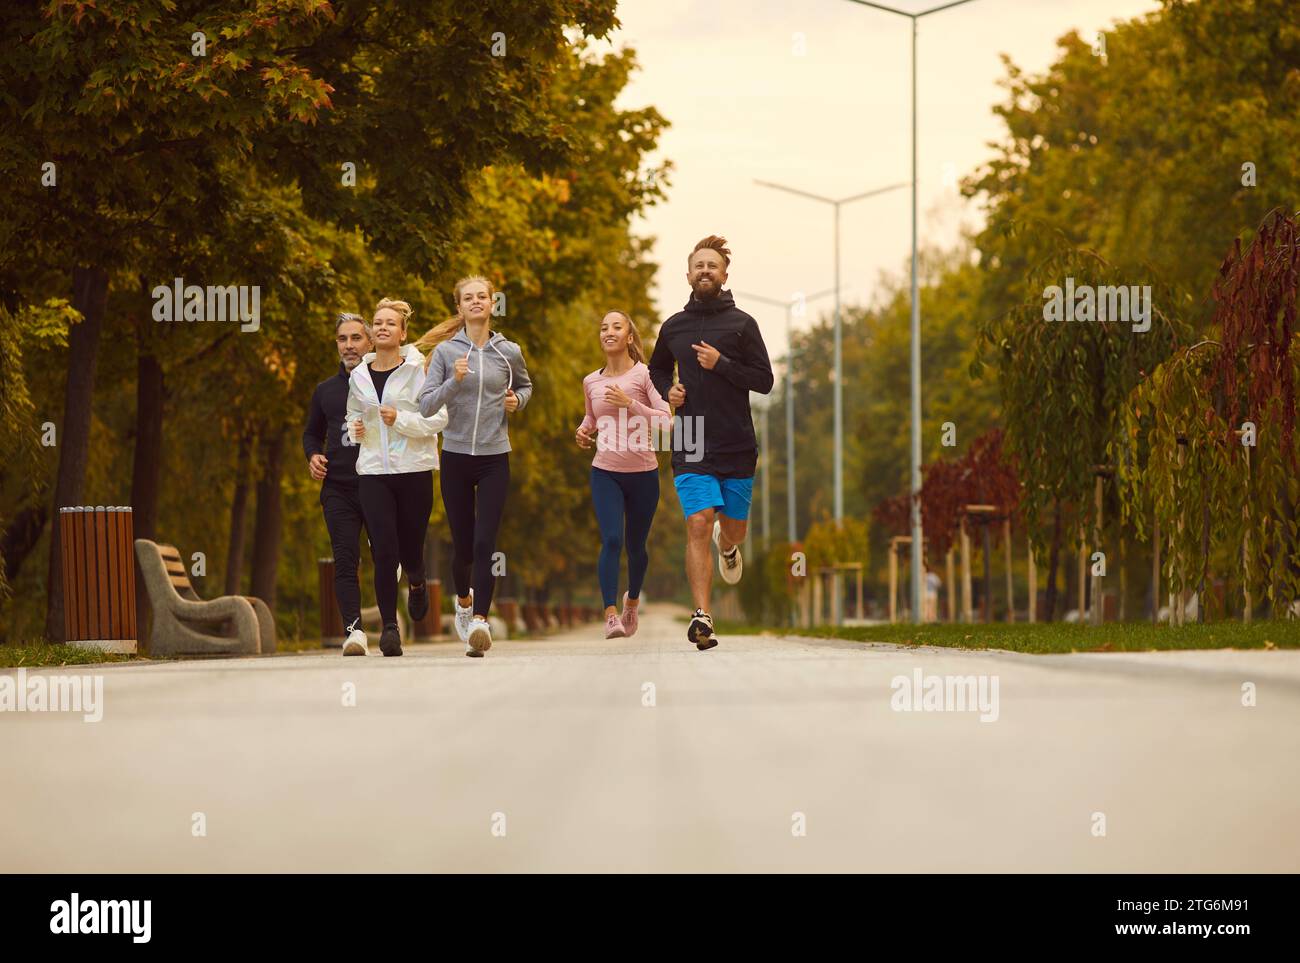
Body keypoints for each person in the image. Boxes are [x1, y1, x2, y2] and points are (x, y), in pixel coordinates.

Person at [648, 235, 773, 650]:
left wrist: (722, 365)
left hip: (736, 439)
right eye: (698, 265)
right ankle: (703, 614)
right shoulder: (673, 327)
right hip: (692, 437)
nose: (705, 271)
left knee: (732, 529)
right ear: (688, 274)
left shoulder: (743, 324)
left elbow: (764, 381)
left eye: (712, 265)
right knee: (698, 521)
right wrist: (670, 392)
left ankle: (729, 546)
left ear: (724, 274)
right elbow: (657, 371)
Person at [418, 275, 532, 658]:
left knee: (486, 541)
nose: (477, 302)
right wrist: (454, 381)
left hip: (495, 455)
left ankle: (481, 620)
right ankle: (464, 601)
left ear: (491, 303)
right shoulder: (448, 353)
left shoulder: (508, 351)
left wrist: (518, 400)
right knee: (463, 545)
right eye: (469, 298)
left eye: (483, 296)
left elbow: (526, 386)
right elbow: (426, 404)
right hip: (454, 456)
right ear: (460, 307)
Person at [347, 298, 449, 657]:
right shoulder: (358, 374)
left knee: (410, 546)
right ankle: (390, 628)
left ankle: (417, 579)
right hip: (373, 471)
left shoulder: (419, 372)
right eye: (378, 323)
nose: (383, 327)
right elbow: (353, 416)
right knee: (384, 551)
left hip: (415, 470)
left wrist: (400, 421)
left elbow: (439, 419)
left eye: (391, 323)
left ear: (403, 332)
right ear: (372, 335)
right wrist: (355, 428)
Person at [575, 310, 672, 639]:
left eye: (616, 327)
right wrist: (583, 430)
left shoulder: (644, 376)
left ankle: (632, 601)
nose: (608, 332)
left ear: (629, 338)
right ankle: (611, 614)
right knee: (612, 539)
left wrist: (630, 403)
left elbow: (665, 420)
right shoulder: (591, 381)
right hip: (606, 472)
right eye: (603, 327)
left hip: (644, 474)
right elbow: (592, 418)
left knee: (637, 546)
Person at [303, 313, 372, 655]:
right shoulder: (325, 391)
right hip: (338, 488)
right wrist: (313, 455)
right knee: (345, 560)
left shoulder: (384, 383)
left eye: (356, 338)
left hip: (378, 484)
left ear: (369, 342)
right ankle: (354, 632)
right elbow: (311, 433)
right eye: (343, 339)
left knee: (388, 557)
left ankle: (391, 626)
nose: (349, 345)